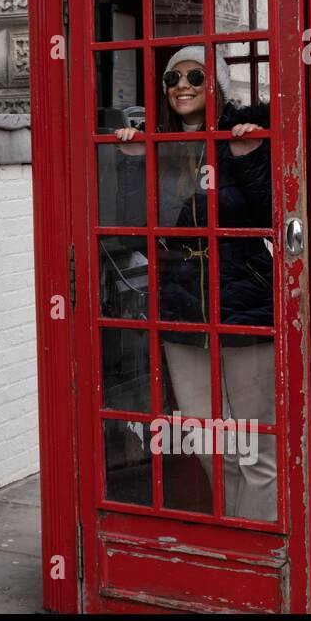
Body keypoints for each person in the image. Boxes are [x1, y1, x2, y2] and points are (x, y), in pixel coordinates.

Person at [113, 46, 276, 520]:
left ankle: (255, 554)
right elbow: (131, 227)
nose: (182, 85)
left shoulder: (241, 136)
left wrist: (248, 157)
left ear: (217, 85)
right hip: (182, 301)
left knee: (255, 447)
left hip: (243, 298)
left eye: (195, 76)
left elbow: (277, 218)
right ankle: (229, 538)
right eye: (172, 78)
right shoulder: (158, 147)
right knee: (206, 441)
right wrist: (129, 160)